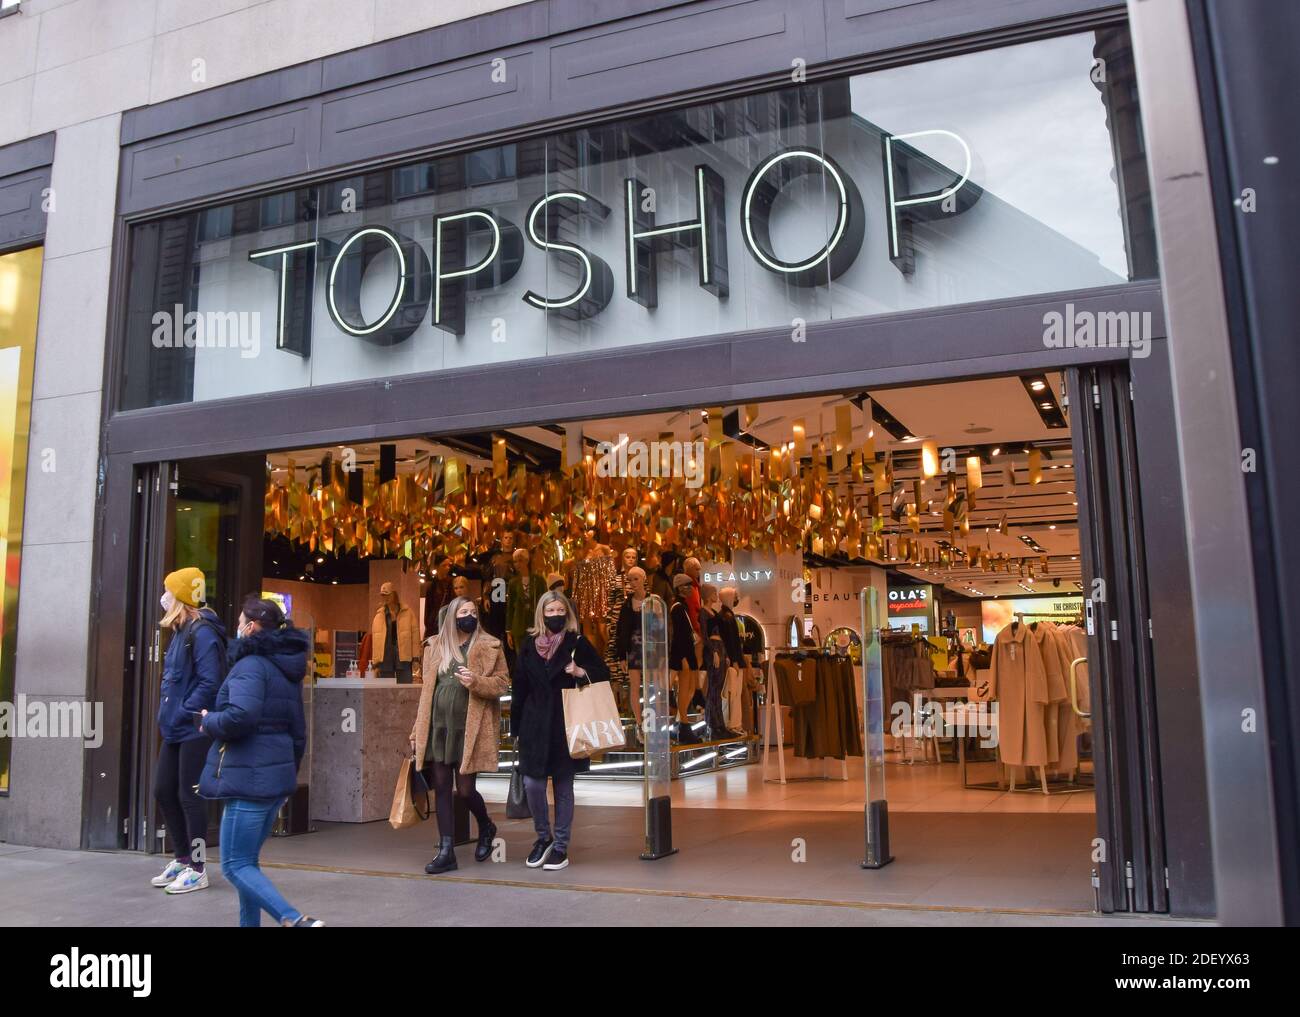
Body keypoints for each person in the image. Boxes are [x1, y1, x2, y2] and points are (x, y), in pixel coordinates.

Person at [198, 597, 322, 927]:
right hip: (270, 781)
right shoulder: (286, 670)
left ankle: (294, 919)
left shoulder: (250, 666)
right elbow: (298, 730)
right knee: (247, 863)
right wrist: (286, 777)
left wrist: (209, 720)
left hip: (248, 780)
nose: (236, 626)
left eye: (240, 620)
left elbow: (241, 717)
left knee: (234, 866)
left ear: (250, 627)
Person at [511, 590, 610, 871]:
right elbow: (519, 686)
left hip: (567, 723)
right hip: (533, 724)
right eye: (550, 611)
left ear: (567, 613)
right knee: (533, 784)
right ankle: (543, 837)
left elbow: (604, 673)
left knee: (564, 787)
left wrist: (580, 672)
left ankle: (561, 847)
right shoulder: (529, 645)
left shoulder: (577, 642)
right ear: (541, 614)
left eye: (559, 611)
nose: (555, 616)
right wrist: (515, 728)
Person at [409, 596, 509, 875]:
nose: (470, 616)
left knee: (465, 790)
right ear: (452, 617)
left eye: (473, 611)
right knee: (441, 786)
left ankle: (486, 825)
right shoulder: (435, 646)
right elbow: (426, 692)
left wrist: (475, 681)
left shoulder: (490, 645)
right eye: (464, 612)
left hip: (470, 728)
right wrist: (417, 729)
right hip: (438, 727)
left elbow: (502, 683)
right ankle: (446, 850)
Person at [151, 567, 227, 895]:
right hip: (175, 727)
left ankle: (198, 867)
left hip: (193, 727)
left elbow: (212, 681)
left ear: (181, 597)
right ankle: (182, 857)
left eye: (169, 591)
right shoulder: (181, 630)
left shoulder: (203, 632)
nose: (163, 597)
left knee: (189, 796)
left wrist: (184, 709)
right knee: (163, 790)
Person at [669, 573, 702, 744]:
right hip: (682, 653)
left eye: (691, 585)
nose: (690, 588)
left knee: (688, 689)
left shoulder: (682, 607)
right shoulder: (677, 608)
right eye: (687, 586)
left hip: (686, 652)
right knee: (684, 689)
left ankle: (681, 722)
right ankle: (683, 724)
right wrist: (682, 657)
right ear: (680, 588)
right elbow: (679, 635)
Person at [373, 581, 418, 683]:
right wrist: (375, 663)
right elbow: (376, 642)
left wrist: (416, 658)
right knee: (386, 689)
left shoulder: (408, 613)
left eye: (387, 594)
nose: (385, 597)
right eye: (383, 595)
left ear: (394, 594)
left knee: (405, 688)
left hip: (403, 656)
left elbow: (415, 636)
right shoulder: (379, 615)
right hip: (385, 657)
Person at [506, 546, 542, 654]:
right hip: (518, 625)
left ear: (527, 560)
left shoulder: (538, 580)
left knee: (536, 656)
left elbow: (544, 603)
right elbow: (510, 607)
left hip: (535, 624)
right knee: (521, 657)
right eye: (515, 562)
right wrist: (509, 631)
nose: (517, 564)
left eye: (520, 561)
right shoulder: (513, 583)